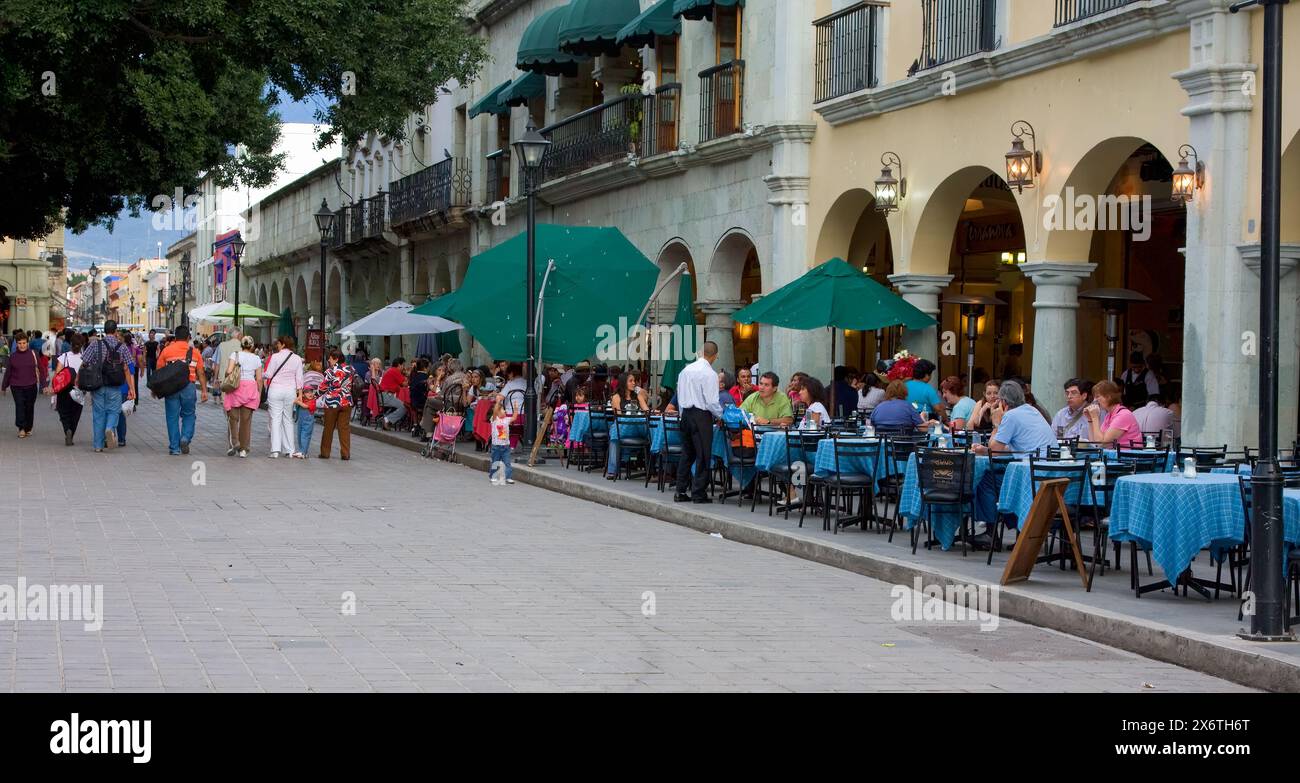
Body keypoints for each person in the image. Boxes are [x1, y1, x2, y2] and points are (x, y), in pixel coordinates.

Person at [971, 381, 1058, 544]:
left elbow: (995, 449)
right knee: (1000, 478)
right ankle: (1014, 529)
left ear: (1003, 402)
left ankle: (991, 533)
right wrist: (986, 450)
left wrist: (996, 424)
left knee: (986, 479)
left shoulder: (1010, 416)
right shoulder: (1032, 410)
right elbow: (1017, 445)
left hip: (1032, 475)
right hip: (1049, 470)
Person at [673, 340, 722, 505]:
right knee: (703, 455)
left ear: (701, 353)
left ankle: (680, 491)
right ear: (715, 356)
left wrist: (682, 416)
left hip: (686, 414)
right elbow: (711, 402)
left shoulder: (686, 370)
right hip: (701, 416)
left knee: (687, 454)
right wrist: (721, 416)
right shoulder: (710, 374)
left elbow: (680, 396)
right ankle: (698, 493)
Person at [80, 320, 136, 452]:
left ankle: (98, 446)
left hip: (98, 384)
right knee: (114, 411)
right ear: (116, 331)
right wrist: (131, 388)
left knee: (98, 414)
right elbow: (128, 367)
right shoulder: (122, 346)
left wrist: (79, 379)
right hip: (115, 386)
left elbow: (84, 362)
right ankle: (110, 428)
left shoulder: (95, 344)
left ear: (104, 331)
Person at [154, 325, 207, 455]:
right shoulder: (195, 352)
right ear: (188, 337)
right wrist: (204, 391)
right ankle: (185, 438)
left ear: (175, 337)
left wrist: (155, 389)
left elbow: (159, 370)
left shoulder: (167, 350)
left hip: (171, 387)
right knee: (189, 415)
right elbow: (201, 372)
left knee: (172, 417)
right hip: (189, 386)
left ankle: (174, 447)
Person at [222, 336, 264, 458]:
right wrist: (259, 393)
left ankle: (234, 443)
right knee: (246, 421)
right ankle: (243, 450)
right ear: (252, 346)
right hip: (250, 388)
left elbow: (229, 371)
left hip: (236, 387)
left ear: (241, 345)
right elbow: (259, 379)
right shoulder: (256, 358)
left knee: (233, 418)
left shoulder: (234, 355)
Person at [264, 335, 305, 458]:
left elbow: (269, 374)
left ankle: (275, 450)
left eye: (278, 343)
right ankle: (290, 449)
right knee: (288, 419)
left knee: (275, 419)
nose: (277, 345)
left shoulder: (275, 357)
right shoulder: (297, 359)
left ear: (282, 344)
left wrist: (261, 373)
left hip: (275, 390)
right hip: (290, 392)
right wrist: (300, 394)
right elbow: (299, 378)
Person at [1, 331, 46, 437]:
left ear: (27, 343)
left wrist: (44, 385)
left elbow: (41, 370)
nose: (22, 345)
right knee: (20, 406)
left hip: (31, 385)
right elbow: (8, 373)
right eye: (20, 343)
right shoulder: (13, 356)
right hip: (16, 386)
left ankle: (28, 427)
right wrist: (3, 387)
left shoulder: (33, 354)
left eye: (24, 343)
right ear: (16, 344)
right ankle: (21, 428)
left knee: (29, 407)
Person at [318, 348, 357, 459]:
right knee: (344, 428)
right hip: (346, 401)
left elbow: (323, 388)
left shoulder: (330, 371)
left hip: (332, 403)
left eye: (330, 358)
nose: (328, 361)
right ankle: (345, 453)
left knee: (328, 428)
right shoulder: (351, 369)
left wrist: (313, 397)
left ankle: (325, 453)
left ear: (336, 358)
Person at [1084, 379, 1143, 448]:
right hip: (1115, 456)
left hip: (1128, 457)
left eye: (1097, 397)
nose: (1095, 401)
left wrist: (1095, 417)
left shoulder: (1123, 415)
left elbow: (1102, 443)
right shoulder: (1109, 415)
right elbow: (1095, 442)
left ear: (1108, 397)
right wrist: (1090, 420)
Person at [50, 332, 85, 446]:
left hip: (64, 388)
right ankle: (72, 432)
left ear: (71, 344)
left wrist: (53, 388)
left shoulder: (64, 357)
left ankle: (67, 430)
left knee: (63, 411)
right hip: (79, 389)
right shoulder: (84, 358)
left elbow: (57, 374)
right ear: (82, 345)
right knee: (76, 413)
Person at [292, 360, 324, 459]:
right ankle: (303, 451)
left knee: (305, 434)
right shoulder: (321, 377)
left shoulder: (312, 401)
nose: (310, 393)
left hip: (307, 419)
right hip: (302, 419)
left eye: (311, 392)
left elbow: (305, 406)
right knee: (300, 434)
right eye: (307, 392)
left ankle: (303, 451)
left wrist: (297, 402)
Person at [377, 356, 409, 431]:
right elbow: (405, 384)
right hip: (386, 396)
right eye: (403, 365)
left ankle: (386, 419)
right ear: (399, 365)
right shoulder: (395, 371)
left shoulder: (390, 370)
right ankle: (387, 419)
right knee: (404, 407)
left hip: (384, 395)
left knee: (400, 405)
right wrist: (407, 375)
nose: (403, 367)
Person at [488, 398, 515, 485]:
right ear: (498, 412)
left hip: (505, 446)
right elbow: (496, 410)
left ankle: (508, 477)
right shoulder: (494, 419)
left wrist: (516, 409)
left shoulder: (506, 420)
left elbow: (514, 418)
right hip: (496, 446)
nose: (505, 411)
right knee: (495, 462)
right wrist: (498, 402)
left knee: (507, 462)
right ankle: (493, 476)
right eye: (503, 410)